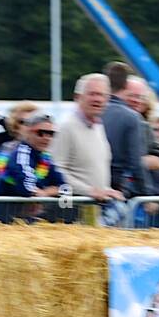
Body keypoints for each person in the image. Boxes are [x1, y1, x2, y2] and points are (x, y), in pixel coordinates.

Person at [51, 73, 125, 225]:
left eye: (102, 95)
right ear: (78, 97)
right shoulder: (66, 127)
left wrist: (105, 190)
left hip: (94, 210)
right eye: (92, 94)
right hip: (71, 212)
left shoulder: (98, 127)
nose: (98, 99)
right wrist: (89, 191)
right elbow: (56, 171)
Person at [0, 112, 66, 222]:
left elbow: (64, 187)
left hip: (24, 220)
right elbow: (26, 185)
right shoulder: (21, 152)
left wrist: (45, 193)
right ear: (28, 132)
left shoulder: (45, 157)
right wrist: (42, 194)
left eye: (51, 134)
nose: (46, 137)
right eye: (40, 133)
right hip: (4, 220)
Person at [102, 60, 151, 200]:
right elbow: (136, 161)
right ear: (125, 85)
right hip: (117, 189)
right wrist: (147, 193)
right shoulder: (132, 117)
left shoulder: (93, 112)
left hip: (91, 186)